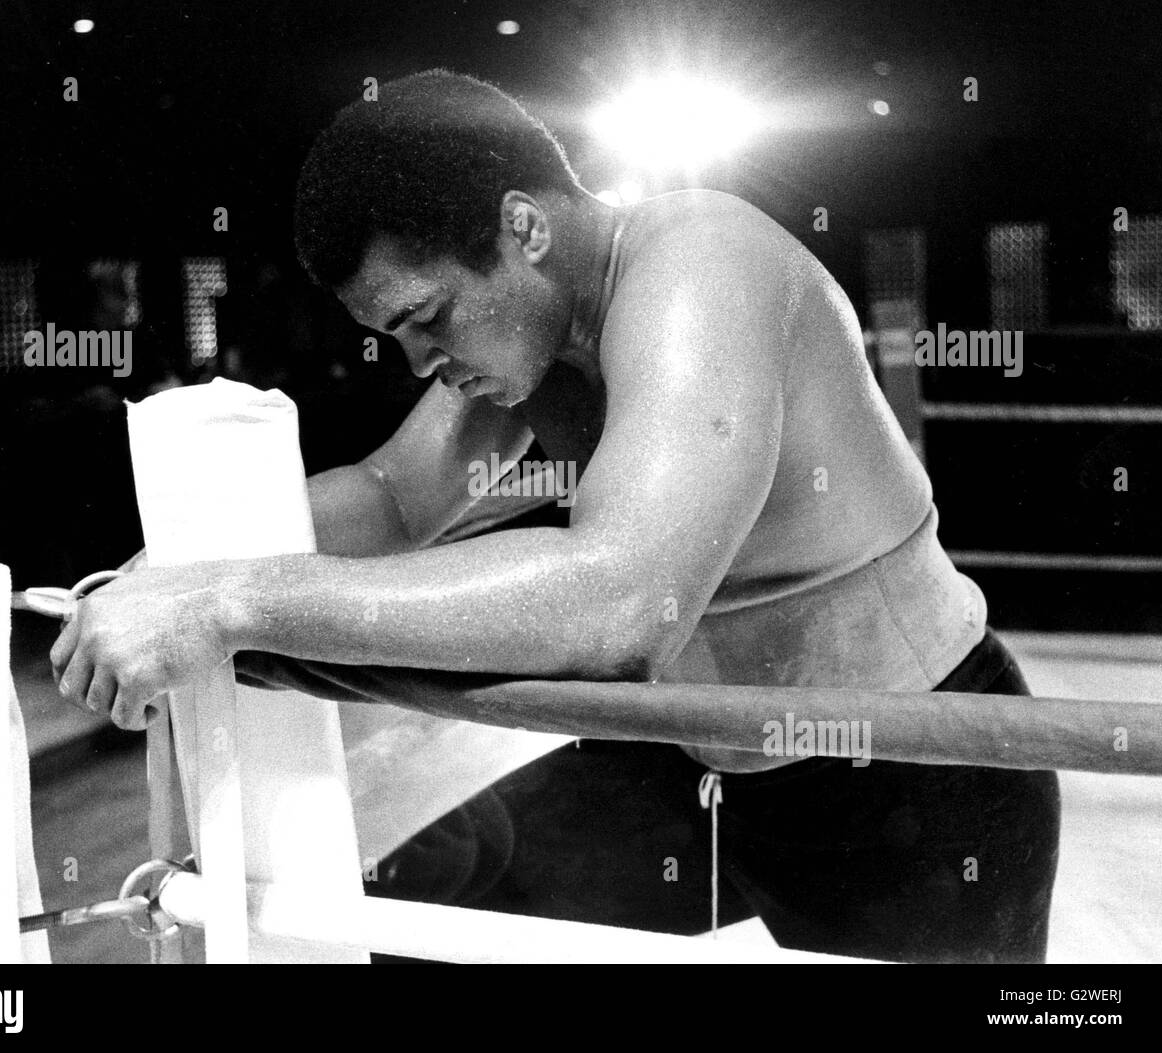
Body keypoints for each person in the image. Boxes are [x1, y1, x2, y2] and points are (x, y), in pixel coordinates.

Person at [51, 69, 1060, 962]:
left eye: (427, 318)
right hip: (696, 759)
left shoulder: (702, 267)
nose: (419, 363)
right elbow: (395, 498)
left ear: (522, 229)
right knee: (413, 926)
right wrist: (171, 572)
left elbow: (625, 598)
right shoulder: (525, 333)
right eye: (392, 336)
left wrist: (230, 598)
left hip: (914, 780)